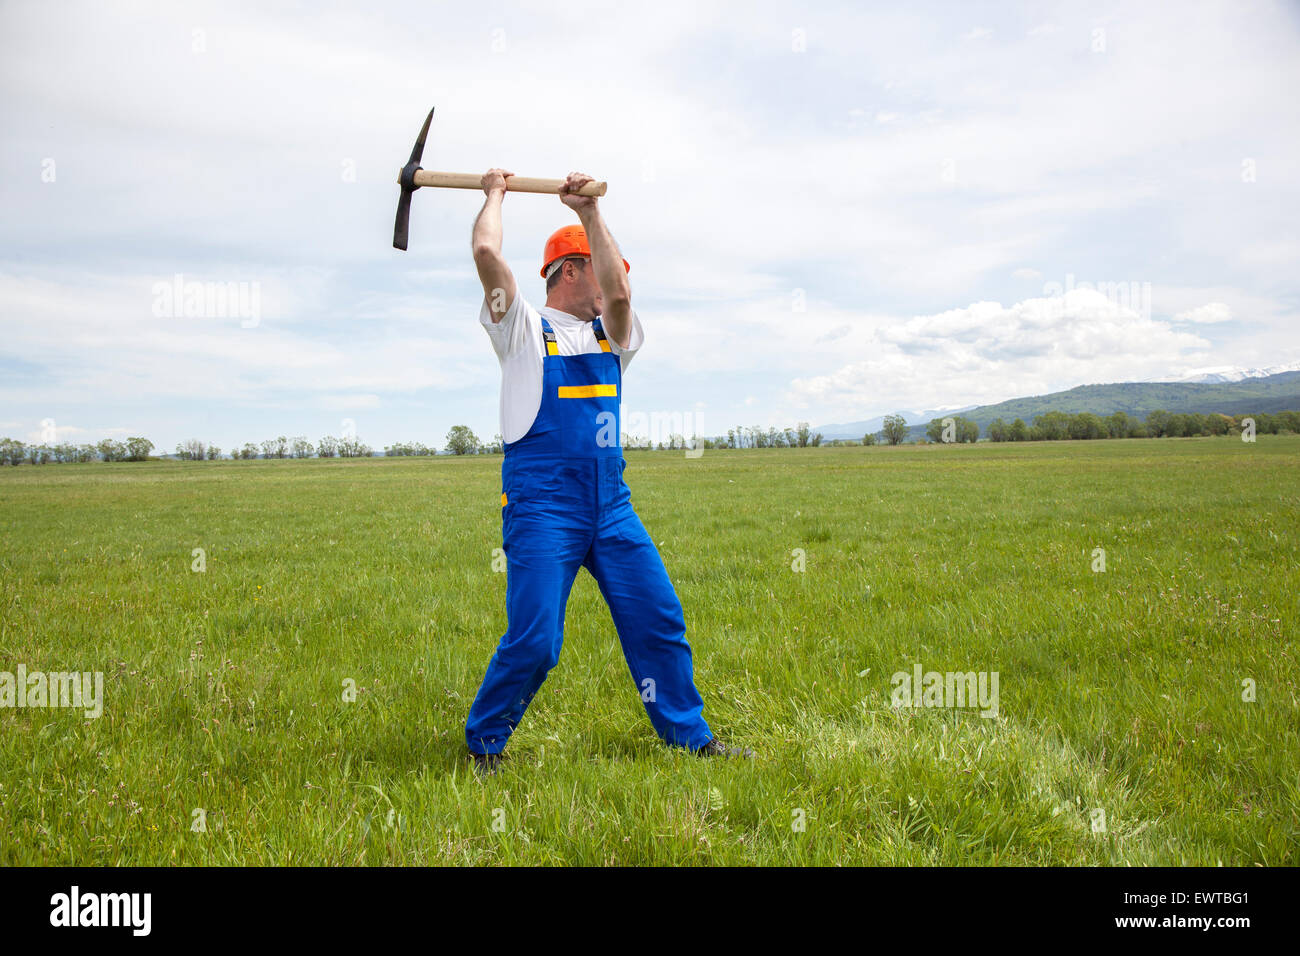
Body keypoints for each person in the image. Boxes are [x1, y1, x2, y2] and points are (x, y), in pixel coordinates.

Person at [464, 167, 752, 776]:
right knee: (537, 642)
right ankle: (484, 742)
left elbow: (621, 296)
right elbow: (488, 251)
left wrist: (591, 213)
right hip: (544, 507)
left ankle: (691, 738)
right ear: (571, 270)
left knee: (658, 618)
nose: (617, 283)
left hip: (611, 504)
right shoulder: (519, 331)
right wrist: (494, 194)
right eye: (603, 266)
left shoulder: (613, 334)